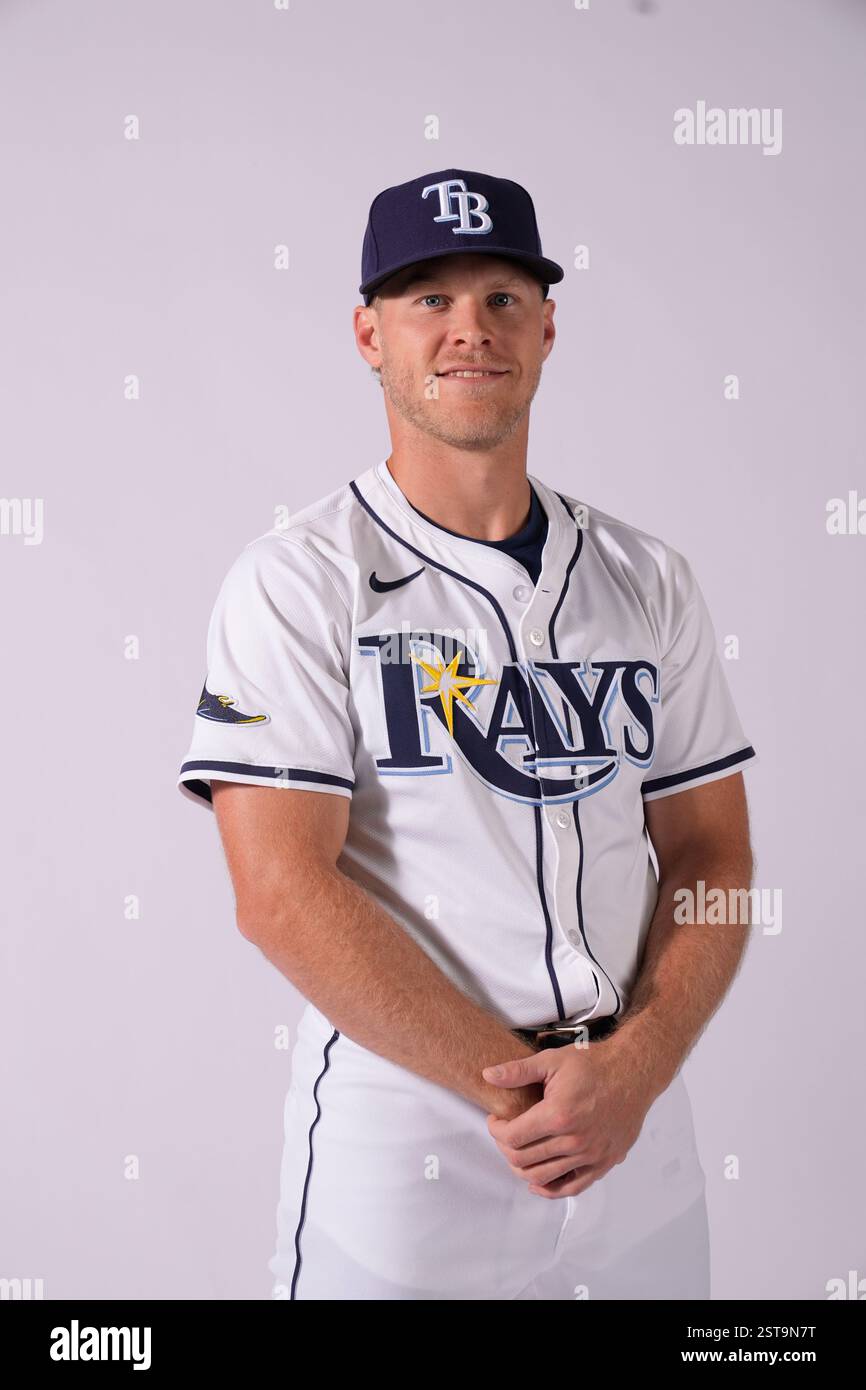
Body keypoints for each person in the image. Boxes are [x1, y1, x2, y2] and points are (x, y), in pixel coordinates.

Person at [177, 168, 757, 1300]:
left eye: (500, 296)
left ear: (546, 327)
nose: (467, 330)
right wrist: (526, 1096)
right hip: (410, 1135)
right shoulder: (297, 580)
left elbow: (712, 857)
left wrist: (633, 1069)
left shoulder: (647, 578)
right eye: (425, 298)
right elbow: (280, 892)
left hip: (636, 1118)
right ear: (367, 333)